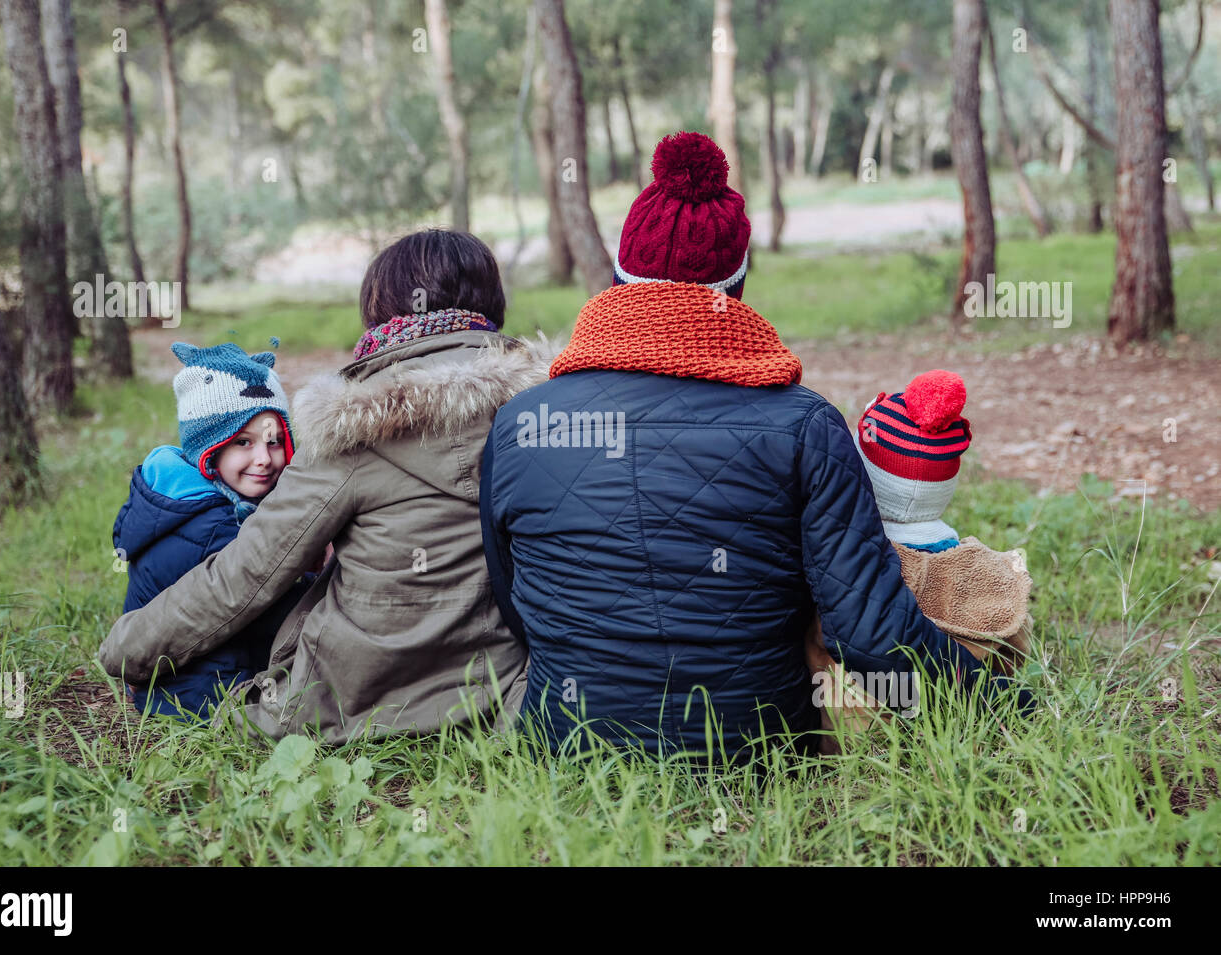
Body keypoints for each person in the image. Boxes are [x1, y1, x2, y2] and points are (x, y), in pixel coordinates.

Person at [480, 131, 1031, 763]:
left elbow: (513, 594)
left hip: (564, 744)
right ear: (737, 287)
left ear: (617, 280)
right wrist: (1004, 704)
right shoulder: (806, 426)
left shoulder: (522, 422)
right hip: (754, 751)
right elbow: (867, 631)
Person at [100, 229, 547, 744]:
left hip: (356, 699)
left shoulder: (351, 429)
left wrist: (124, 648)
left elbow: (245, 576)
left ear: (380, 313)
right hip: (501, 690)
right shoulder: (543, 411)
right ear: (492, 303)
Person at [806, 369, 1034, 751]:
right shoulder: (978, 567)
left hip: (853, 738)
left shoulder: (844, 558)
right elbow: (1013, 648)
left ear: (861, 470)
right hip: (961, 730)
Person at [113, 342, 307, 719]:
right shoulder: (213, 527)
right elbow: (269, 599)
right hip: (197, 693)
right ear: (209, 449)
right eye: (242, 443)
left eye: (275, 441)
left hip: (197, 668)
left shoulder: (202, 496)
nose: (264, 458)